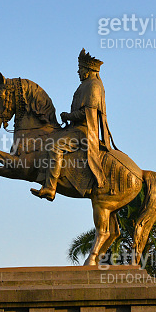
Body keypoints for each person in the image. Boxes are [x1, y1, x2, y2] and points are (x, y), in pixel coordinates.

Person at [31, 49, 116, 201]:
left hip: (84, 130)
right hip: (74, 128)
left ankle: (50, 187)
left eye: (81, 69)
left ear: (88, 70)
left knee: (54, 146)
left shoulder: (93, 85)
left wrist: (68, 116)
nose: (78, 72)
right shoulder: (86, 84)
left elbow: (87, 113)